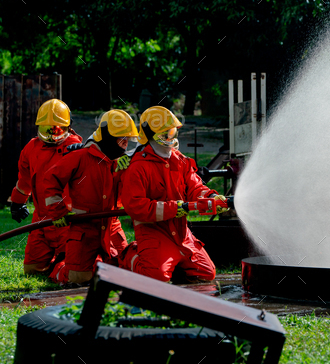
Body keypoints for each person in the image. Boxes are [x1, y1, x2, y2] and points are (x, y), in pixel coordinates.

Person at [120, 106, 227, 282]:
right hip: (153, 233)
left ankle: (170, 263)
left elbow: (195, 187)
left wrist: (210, 197)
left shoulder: (181, 161)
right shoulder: (138, 167)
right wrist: (173, 209)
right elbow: (134, 205)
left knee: (207, 274)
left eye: (173, 132)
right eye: (166, 133)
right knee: (156, 277)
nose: (172, 137)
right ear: (152, 135)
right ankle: (129, 256)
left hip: (181, 233)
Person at [44, 109, 137, 284]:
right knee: (78, 279)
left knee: (123, 276)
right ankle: (60, 267)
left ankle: (97, 264)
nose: (125, 145)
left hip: (112, 228)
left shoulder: (122, 163)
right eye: (121, 139)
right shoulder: (80, 157)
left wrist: (128, 171)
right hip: (84, 229)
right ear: (108, 138)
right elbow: (50, 179)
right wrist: (58, 212)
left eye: (127, 140)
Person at [9, 99, 83, 275]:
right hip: (41, 221)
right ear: (39, 127)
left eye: (57, 129)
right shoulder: (31, 148)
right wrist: (18, 202)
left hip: (67, 221)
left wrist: (82, 154)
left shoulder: (75, 148)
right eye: (46, 129)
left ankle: (62, 262)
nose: (52, 135)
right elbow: (25, 179)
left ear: (67, 127)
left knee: (68, 268)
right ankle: (56, 262)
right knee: (32, 269)